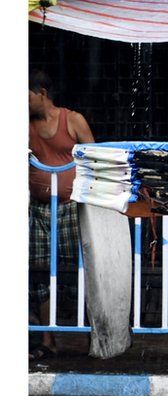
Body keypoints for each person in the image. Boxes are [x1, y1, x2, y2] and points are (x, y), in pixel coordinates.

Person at [28, 69, 95, 360]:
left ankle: (98, 337)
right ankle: (48, 340)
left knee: (84, 271)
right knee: (38, 273)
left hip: (72, 207)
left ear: (41, 92)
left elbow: (96, 160)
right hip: (39, 209)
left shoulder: (73, 120)